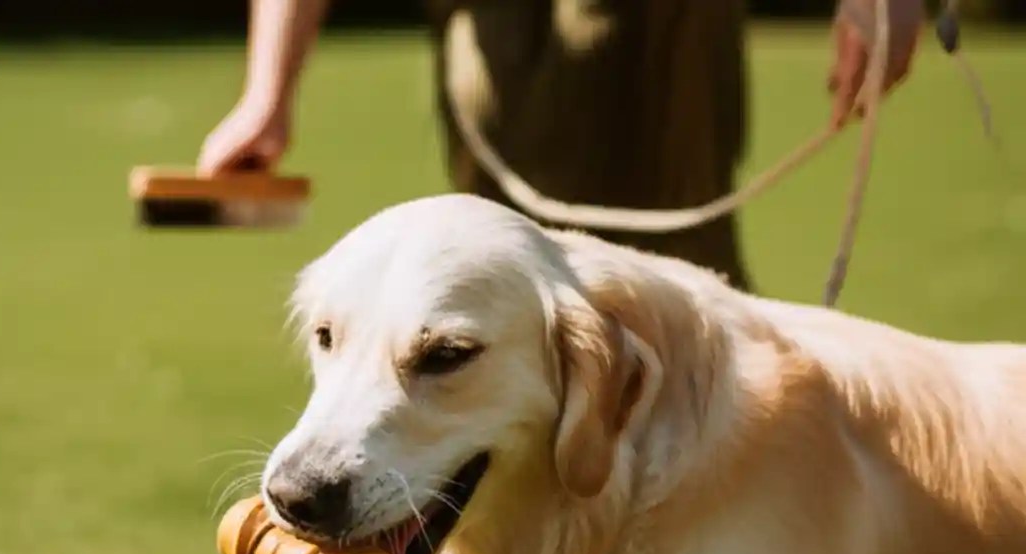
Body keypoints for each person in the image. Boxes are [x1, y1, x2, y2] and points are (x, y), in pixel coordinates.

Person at [198, 0, 922, 292]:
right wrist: (268, 92)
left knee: (669, 324)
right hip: (501, 38)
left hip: (649, 26)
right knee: (512, 315)